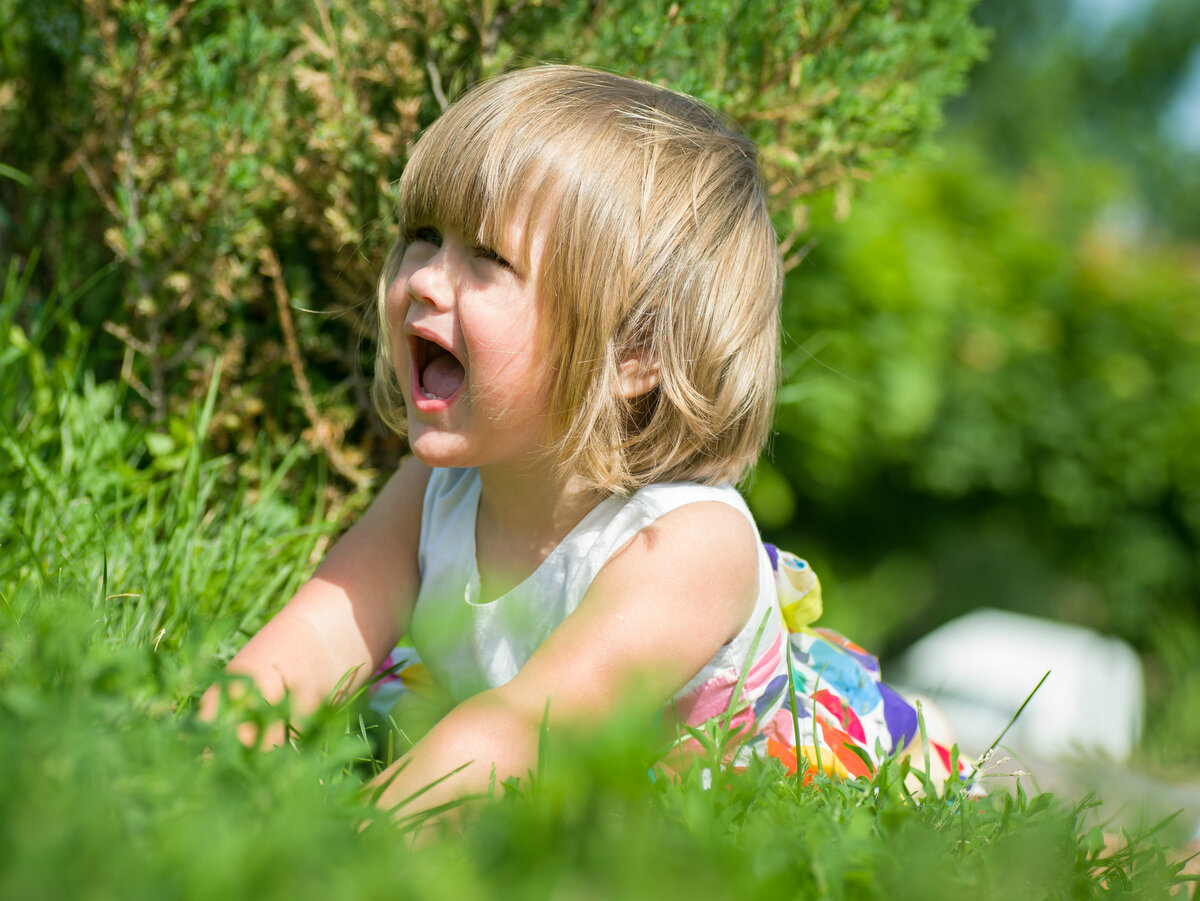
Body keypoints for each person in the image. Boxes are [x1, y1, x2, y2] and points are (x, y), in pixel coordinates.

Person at [202, 65, 961, 820]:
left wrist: (343, 854)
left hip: (747, 764)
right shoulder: (432, 490)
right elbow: (311, 639)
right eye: (423, 237)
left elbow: (519, 734)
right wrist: (192, 764)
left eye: (488, 259)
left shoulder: (687, 544)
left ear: (634, 352)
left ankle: (952, 760)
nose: (427, 279)